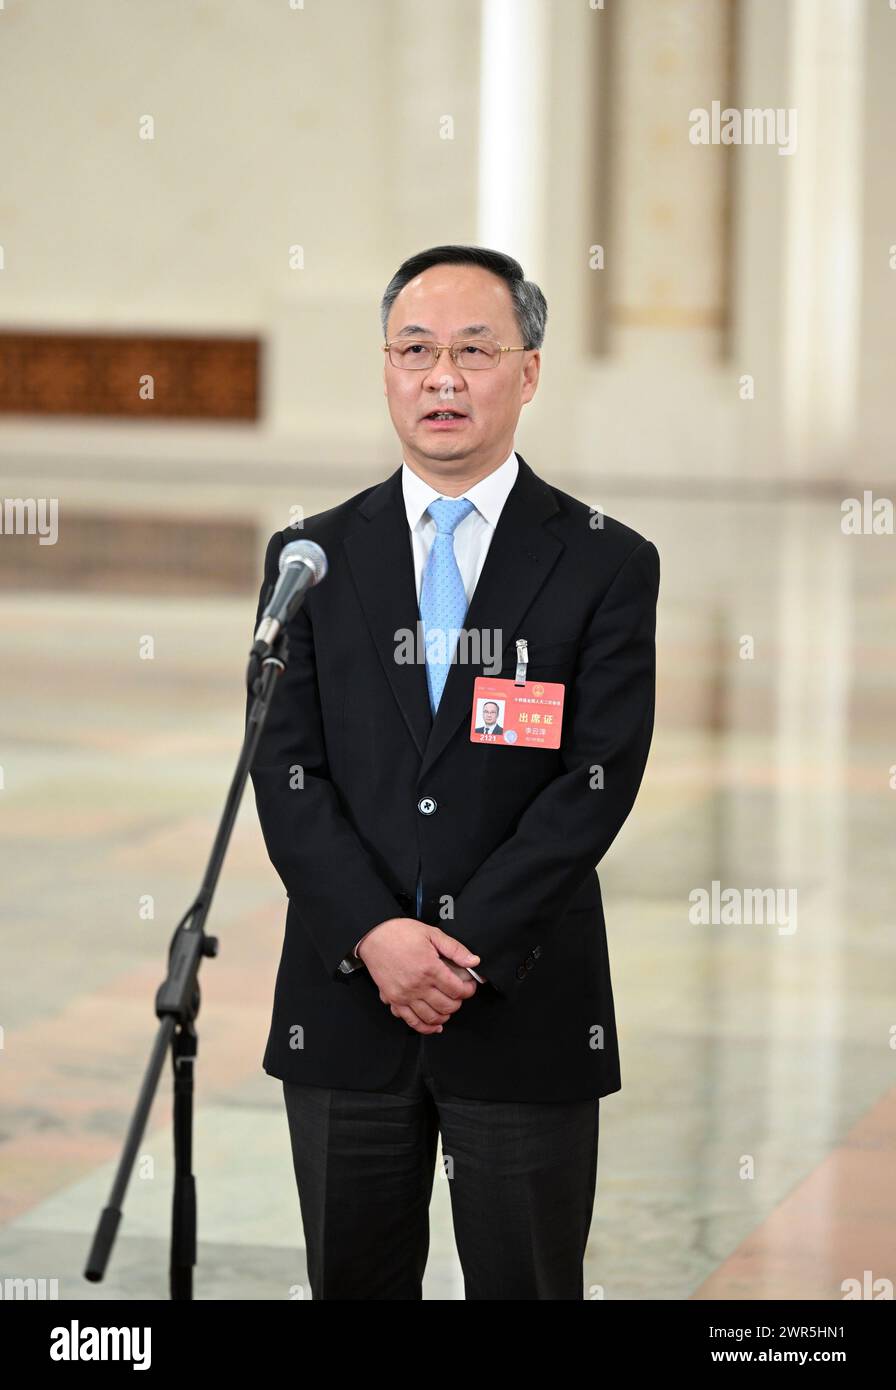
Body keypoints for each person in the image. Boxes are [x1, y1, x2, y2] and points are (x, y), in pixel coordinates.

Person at [247, 244, 659, 1300]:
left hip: (521, 1002)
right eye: (414, 350)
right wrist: (376, 937)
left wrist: (458, 948)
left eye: (474, 351)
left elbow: (595, 782)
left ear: (526, 371)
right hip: (345, 1002)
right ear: (384, 368)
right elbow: (286, 772)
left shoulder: (605, 560)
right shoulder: (311, 556)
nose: (441, 377)